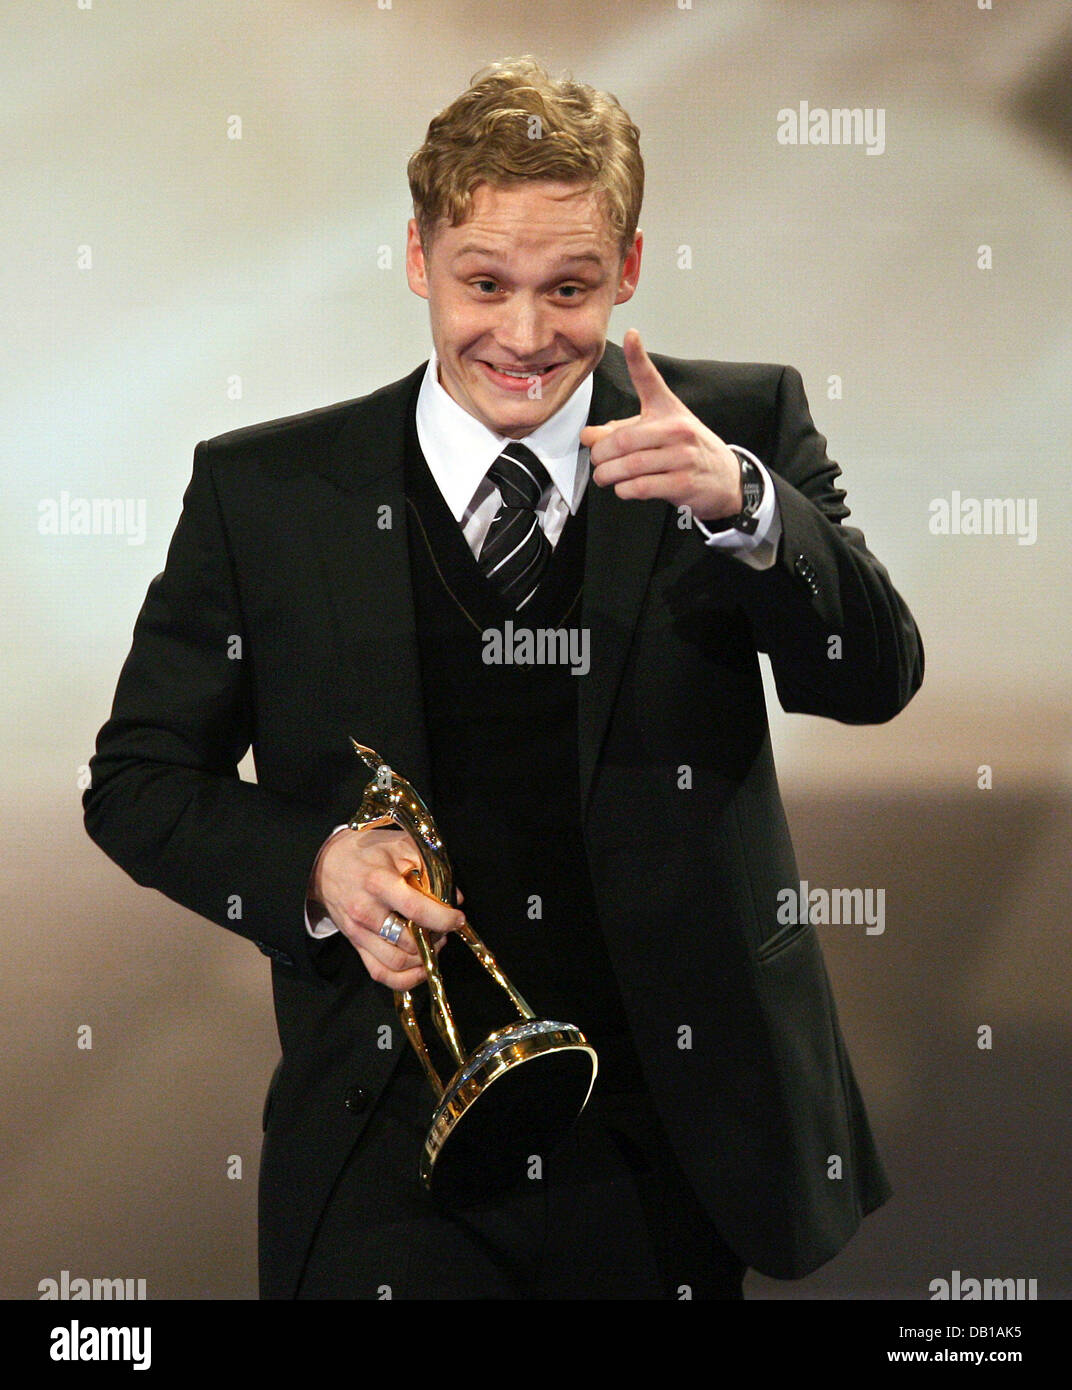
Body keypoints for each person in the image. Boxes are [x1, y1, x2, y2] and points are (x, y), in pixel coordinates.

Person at [83, 57, 923, 1300]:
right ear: (419, 258)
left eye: (569, 288)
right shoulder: (266, 493)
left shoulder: (732, 428)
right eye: (484, 282)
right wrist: (314, 867)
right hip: (389, 1142)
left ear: (627, 271)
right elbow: (138, 780)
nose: (523, 338)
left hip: (665, 1139)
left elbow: (872, 677)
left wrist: (748, 508)